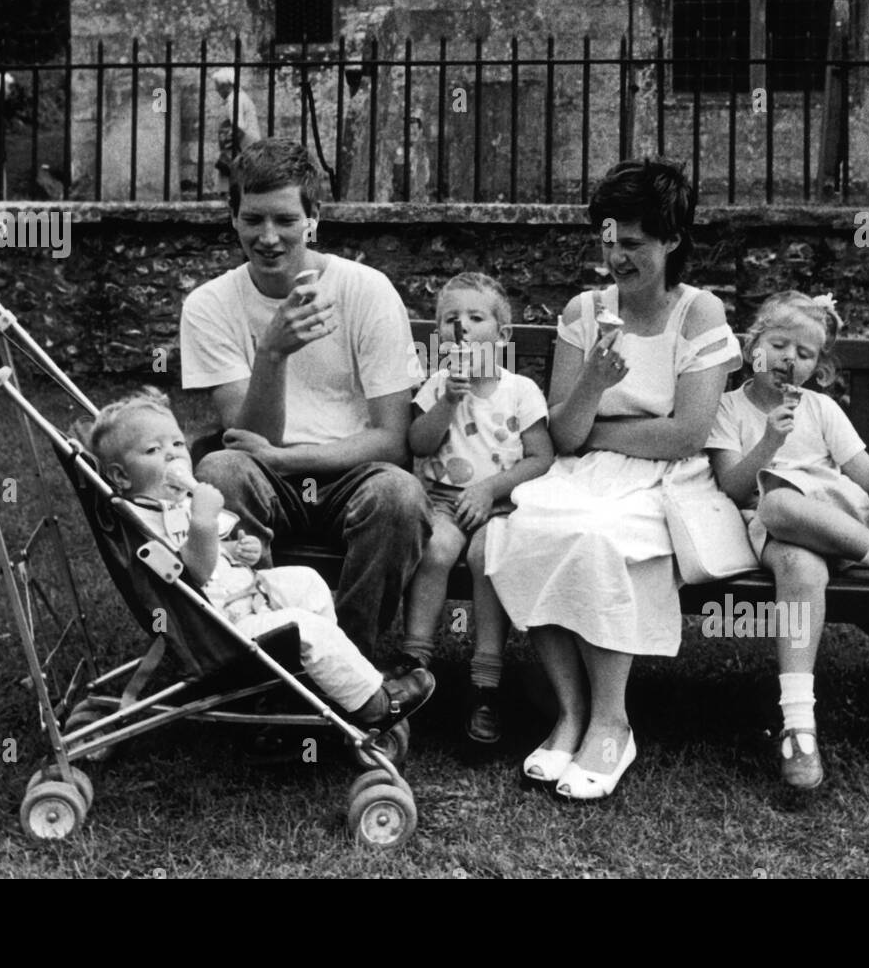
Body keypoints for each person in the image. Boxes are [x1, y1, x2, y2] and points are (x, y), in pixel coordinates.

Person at [484, 156, 743, 800]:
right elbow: (564, 437)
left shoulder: (699, 314)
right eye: (608, 240)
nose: (617, 257)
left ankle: (612, 723)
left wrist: (592, 423)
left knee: (600, 537)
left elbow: (686, 433)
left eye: (634, 244)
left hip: (667, 480)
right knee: (532, 525)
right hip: (583, 470)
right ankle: (570, 715)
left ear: (673, 240)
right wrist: (594, 386)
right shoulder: (584, 310)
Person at [179, 138, 431, 659]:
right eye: (253, 219)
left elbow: (392, 440)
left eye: (286, 220)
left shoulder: (367, 290)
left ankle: (350, 666)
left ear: (314, 217)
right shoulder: (209, 305)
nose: (268, 238)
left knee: (400, 496)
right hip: (262, 475)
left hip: (353, 470)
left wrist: (289, 458)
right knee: (222, 472)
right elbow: (248, 441)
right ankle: (265, 654)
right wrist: (272, 352)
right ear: (232, 218)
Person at [705, 291, 869, 789]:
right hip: (775, 536)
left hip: (835, 521)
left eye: (804, 354)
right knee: (788, 537)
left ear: (817, 368)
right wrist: (769, 443)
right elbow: (732, 488)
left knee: (780, 503)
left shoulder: (821, 409)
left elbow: (866, 477)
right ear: (750, 347)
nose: (789, 359)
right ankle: (799, 726)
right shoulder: (726, 409)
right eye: (779, 345)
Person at [78, 388, 435, 727]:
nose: (172, 455)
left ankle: (323, 680)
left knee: (308, 582)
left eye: (176, 443)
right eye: (153, 450)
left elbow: (210, 555)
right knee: (302, 626)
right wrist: (202, 522)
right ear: (120, 476)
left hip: (244, 599)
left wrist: (235, 550)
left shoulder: (171, 504)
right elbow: (192, 574)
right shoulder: (142, 523)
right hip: (218, 629)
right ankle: (373, 705)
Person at [396, 272, 554, 744]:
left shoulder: (520, 390)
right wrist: (447, 401)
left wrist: (490, 490)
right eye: (450, 320)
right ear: (439, 335)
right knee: (437, 550)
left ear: (502, 336)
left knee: (487, 559)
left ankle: (485, 682)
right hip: (442, 501)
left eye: (475, 316)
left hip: (500, 506)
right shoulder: (438, 384)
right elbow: (417, 443)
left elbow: (542, 458)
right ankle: (414, 663)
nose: (460, 327)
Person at [210, 67, 262, 191]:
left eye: (218, 86)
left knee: (232, 183)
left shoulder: (235, 99)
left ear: (227, 85)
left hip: (243, 145)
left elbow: (238, 127)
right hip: (249, 144)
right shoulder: (240, 96)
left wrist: (226, 149)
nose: (217, 90)